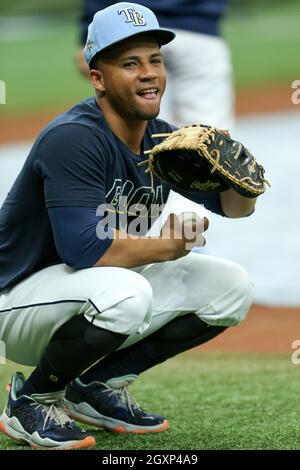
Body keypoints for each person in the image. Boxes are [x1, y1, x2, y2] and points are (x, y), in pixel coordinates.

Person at [0, 2, 254, 450]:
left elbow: (234, 209)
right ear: (98, 78)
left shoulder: (161, 139)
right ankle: (33, 399)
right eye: (130, 63)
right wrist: (166, 246)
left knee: (229, 286)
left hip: (79, 292)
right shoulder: (74, 138)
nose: (149, 73)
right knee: (126, 292)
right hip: (17, 298)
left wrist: (242, 180)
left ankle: (95, 387)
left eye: (155, 60)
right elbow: (83, 249)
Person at [76, 0, 234, 129]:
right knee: (210, 138)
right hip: (201, 29)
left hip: (127, 31)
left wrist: (88, 35)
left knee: (146, 134)